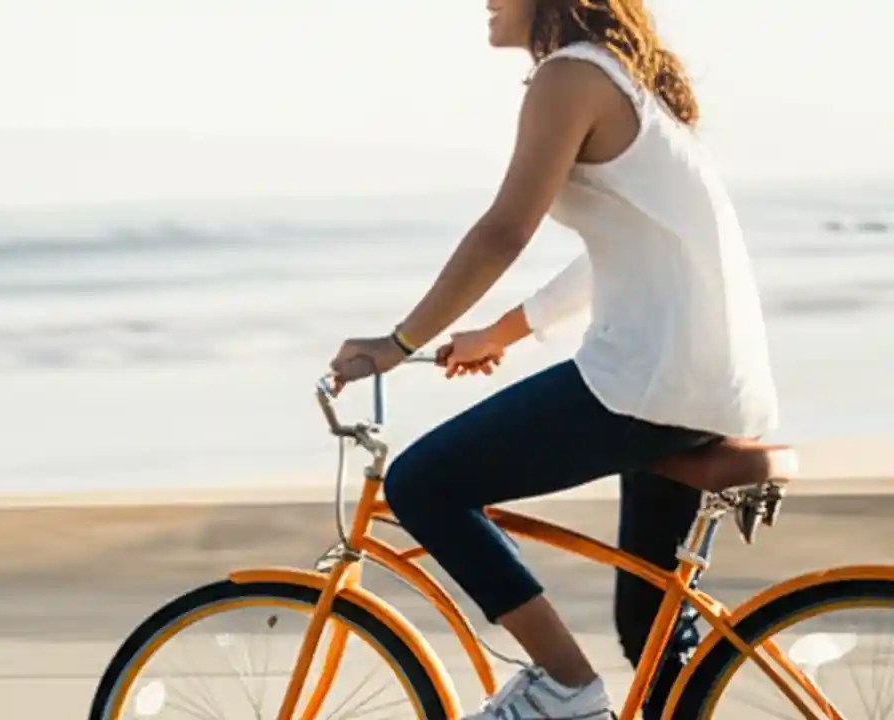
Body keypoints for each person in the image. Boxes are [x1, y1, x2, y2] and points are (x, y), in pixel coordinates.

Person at [327, 0, 779, 718]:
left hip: (650, 379)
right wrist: (500, 333)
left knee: (423, 484)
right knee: (653, 635)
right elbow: (619, 257)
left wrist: (398, 344)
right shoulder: (623, 80)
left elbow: (504, 231)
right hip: (704, 380)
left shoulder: (569, 79)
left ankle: (565, 687)